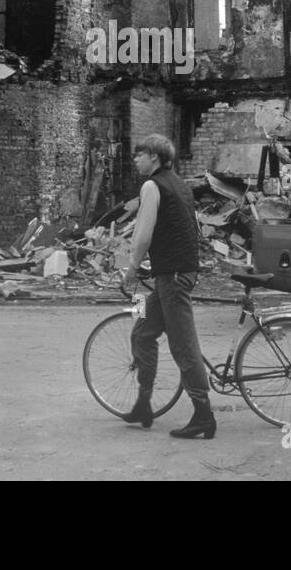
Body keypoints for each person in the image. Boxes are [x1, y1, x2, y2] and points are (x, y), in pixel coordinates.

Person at [121, 134, 215, 439]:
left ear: (155, 158)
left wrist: (132, 269)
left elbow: (144, 234)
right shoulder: (179, 183)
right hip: (173, 273)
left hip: (173, 275)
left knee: (183, 345)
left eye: (140, 154)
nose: (136, 159)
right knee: (143, 331)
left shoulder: (152, 185)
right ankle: (144, 404)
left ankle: (204, 415)